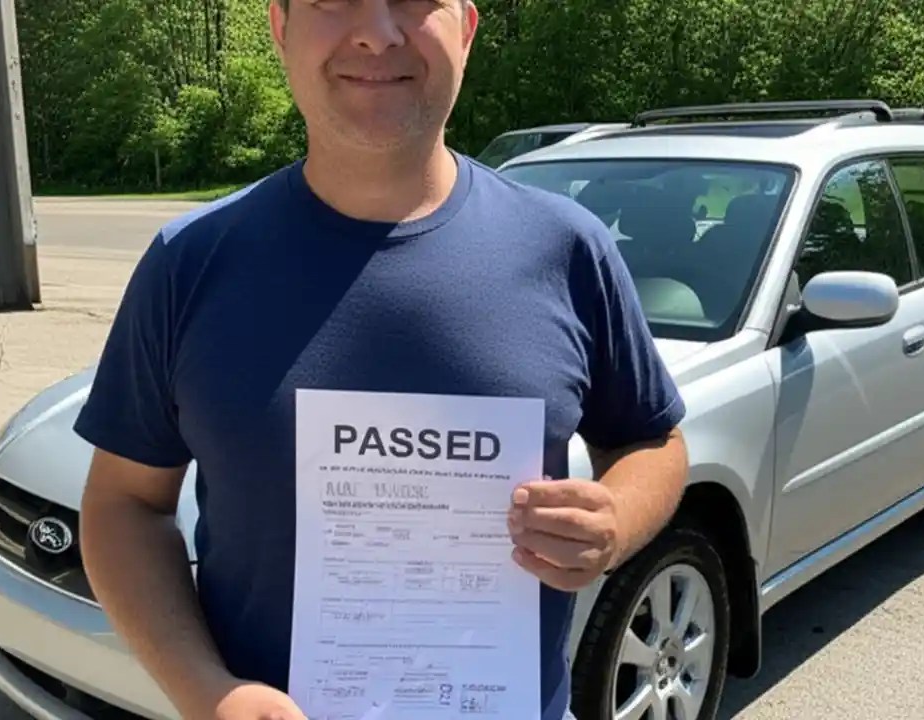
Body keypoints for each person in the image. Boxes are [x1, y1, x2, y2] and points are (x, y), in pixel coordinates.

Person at [74, 1, 689, 719]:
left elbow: (654, 440)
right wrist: (209, 695)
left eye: (414, 0)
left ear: (466, 29)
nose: (377, 30)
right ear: (280, 27)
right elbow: (124, 505)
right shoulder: (190, 263)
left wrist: (614, 518)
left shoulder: (567, 249)